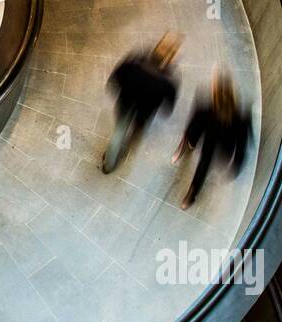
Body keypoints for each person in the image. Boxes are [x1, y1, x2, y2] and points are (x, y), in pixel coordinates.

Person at [102, 33, 182, 174]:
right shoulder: (168, 81)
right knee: (137, 128)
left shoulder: (135, 61)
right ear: (170, 58)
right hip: (144, 112)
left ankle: (109, 163)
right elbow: (167, 108)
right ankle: (133, 136)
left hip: (125, 103)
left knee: (119, 131)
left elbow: (115, 78)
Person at [172, 68, 251, 210]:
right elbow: (242, 145)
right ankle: (191, 195)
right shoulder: (242, 116)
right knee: (203, 166)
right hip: (224, 148)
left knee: (203, 166)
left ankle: (191, 195)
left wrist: (190, 139)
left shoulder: (205, 108)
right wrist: (236, 165)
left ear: (214, 92)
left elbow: (194, 125)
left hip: (209, 144)